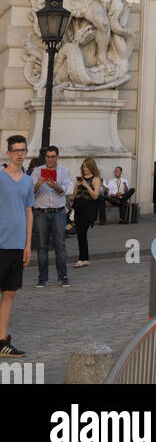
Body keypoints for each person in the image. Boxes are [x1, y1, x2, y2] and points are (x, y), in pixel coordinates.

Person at [0, 134, 34, 355]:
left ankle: (2, 340)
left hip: (17, 244)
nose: (20, 154)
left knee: (10, 293)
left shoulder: (28, 181)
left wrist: (28, 244)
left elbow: (29, 212)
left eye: (23, 150)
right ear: (8, 153)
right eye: (16, 150)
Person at [32, 145, 73, 287]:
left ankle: (63, 276)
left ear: (57, 157)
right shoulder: (37, 171)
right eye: (48, 157)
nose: (50, 159)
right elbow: (31, 193)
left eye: (53, 156)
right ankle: (42, 278)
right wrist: (38, 183)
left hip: (58, 212)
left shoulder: (64, 171)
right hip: (41, 213)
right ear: (45, 157)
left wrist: (55, 186)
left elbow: (65, 191)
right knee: (42, 247)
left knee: (60, 245)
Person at [72, 157, 101, 267]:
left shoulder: (96, 179)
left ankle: (81, 259)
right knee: (80, 234)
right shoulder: (81, 179)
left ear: (91, 167)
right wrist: (77, 186)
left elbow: (95, 195)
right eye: (83, 166)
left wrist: (86, 185)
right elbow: (73, 196)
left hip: (89, 210)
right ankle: (85, 259)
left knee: (81, 231)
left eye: (86, 167)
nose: (85, 169)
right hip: (78, 208)